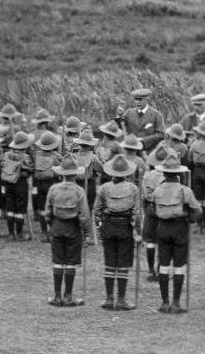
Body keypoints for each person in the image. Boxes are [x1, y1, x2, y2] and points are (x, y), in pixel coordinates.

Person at [151, 154, 202, 314]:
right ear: (178, 173)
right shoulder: (184, 191)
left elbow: (152, 208)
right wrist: (190, 218)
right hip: (180, 228)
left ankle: (164, 302)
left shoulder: (157, 190)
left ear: (164, 173)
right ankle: (176, 302)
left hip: (162, 228)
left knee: (164, 264)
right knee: (179, 265)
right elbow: (198, 210)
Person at [94, 154, 141, 310]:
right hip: (125, 228)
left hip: (108, 227)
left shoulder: (104, 188)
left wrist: (100, 228)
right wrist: (138, 233)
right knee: (123, 264)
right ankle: (121, 300)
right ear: (126, 172)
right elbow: (136, 213)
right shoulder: (133, 188)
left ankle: (108, 299)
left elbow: (97, 211)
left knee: (109, 263)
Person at [43, 158, 93, 307]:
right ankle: (68, 296)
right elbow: (84, 215)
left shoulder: (53, 189)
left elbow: (47, 212)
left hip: (57, 227)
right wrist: (87, 233)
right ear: (75, 174)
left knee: (58, 261)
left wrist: (52, 225)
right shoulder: (79, 191)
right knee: (71, 261)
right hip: (73, 228)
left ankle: (57, 297)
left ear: (61, 173)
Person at [139, 146, 172, 282]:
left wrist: (145, 209)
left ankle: (150, 270)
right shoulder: (169, 175)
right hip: (164, 210)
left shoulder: (148, 175)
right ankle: (160, 269)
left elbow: (143, 195)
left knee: (150, 241)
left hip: (150, 209)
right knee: (163, 241)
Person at [1, 131, 35, 241]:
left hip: (8, 183)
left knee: (10, 208)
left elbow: (1, 165)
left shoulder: (6, 155)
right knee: (20, 209)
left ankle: (11, 233)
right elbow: (29, 170)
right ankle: (19, 234)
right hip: (20, 185)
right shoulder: (26, 157)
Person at [31, 131, 63, 242]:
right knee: (53, 208)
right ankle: (53, 231)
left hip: (40, 185)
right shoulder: (56, 157)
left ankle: (44, 233)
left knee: (41, 208)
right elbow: (61, 170)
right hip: (52, 184)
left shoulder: (37, 155)